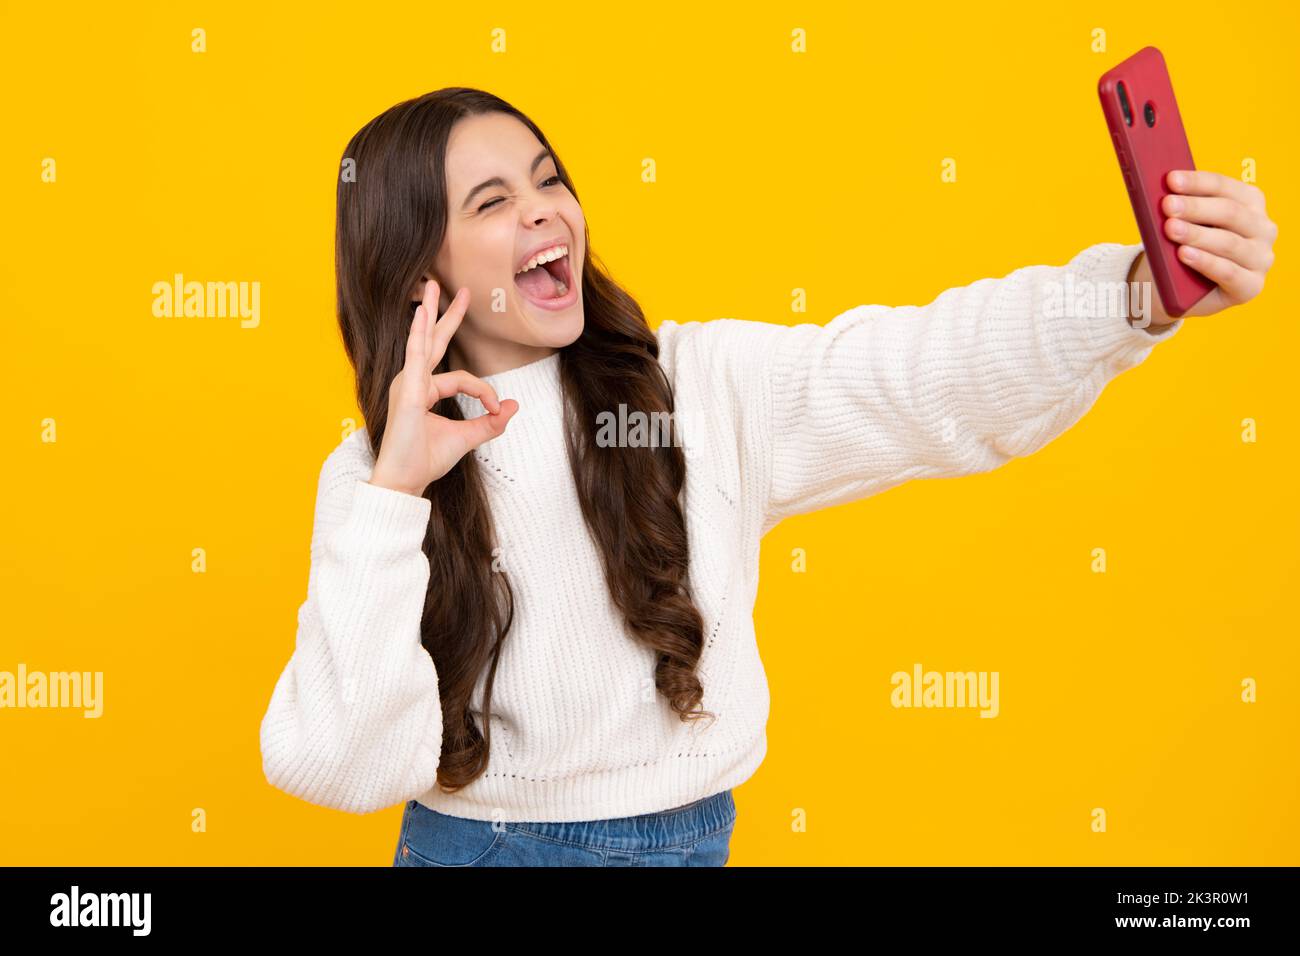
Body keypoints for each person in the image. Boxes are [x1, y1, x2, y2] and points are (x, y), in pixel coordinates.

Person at [258, 87, 1277, 867]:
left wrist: (1131, 298)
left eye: (548, 177)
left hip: (692, 837)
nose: (544, 211)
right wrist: (394, 496)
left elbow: (915, 370)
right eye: (493, 200)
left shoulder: (695, 387)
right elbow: (338, 763)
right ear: (417, 275)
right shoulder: (370, 480)